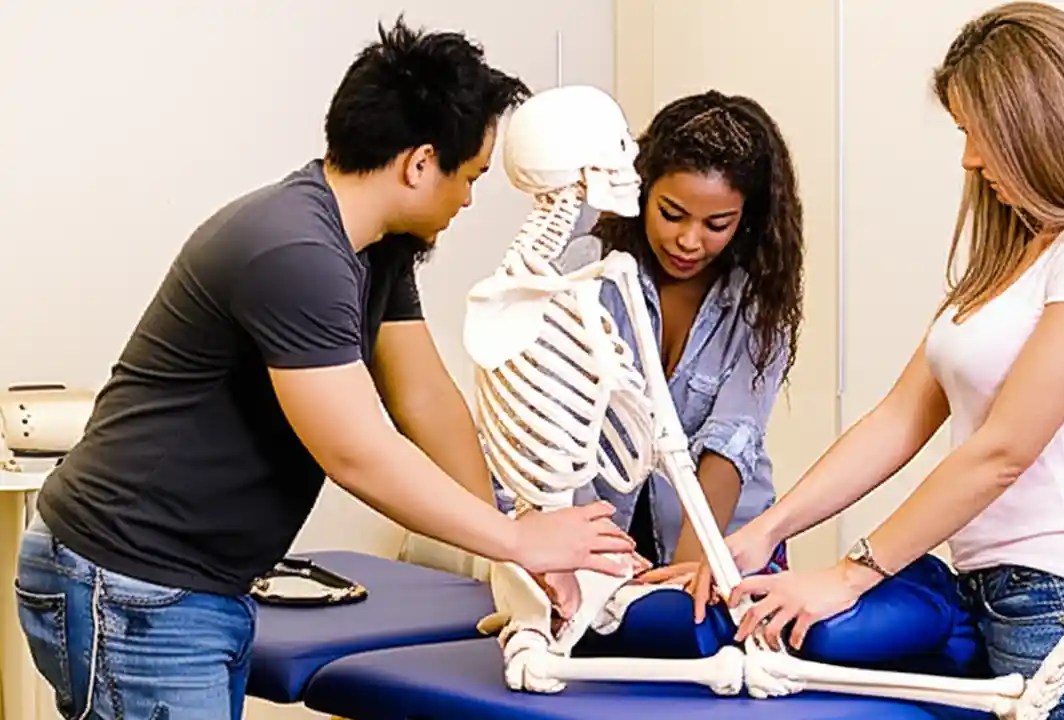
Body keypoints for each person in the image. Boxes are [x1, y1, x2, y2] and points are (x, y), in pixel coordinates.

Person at [13, 18, 633, 720]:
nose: (467, 200)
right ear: (419, 163)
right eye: (469, 178)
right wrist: (516, 539)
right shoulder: (294, 248)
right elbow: (355, 451)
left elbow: (425, 398)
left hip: (195, 584)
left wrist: (505, 550)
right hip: (130, 579)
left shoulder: (376, 249)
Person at [691, 3, 1064, 717]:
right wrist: (767, 530)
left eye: (980, 135)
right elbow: (897, 417)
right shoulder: (1012, 256)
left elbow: (1003, 450)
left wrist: (854, 572)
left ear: (1039, 126)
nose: (970, 160)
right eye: (964, 134)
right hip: (992, 591)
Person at [575, 89, 806, 579]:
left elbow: (732, 439)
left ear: (746, 218)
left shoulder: (759, 298)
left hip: (726, 544)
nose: (689, 240)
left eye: (716, 224)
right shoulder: (590, 273)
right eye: (672, 214)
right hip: (597, 539)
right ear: (643, 191)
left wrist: (688, 572)